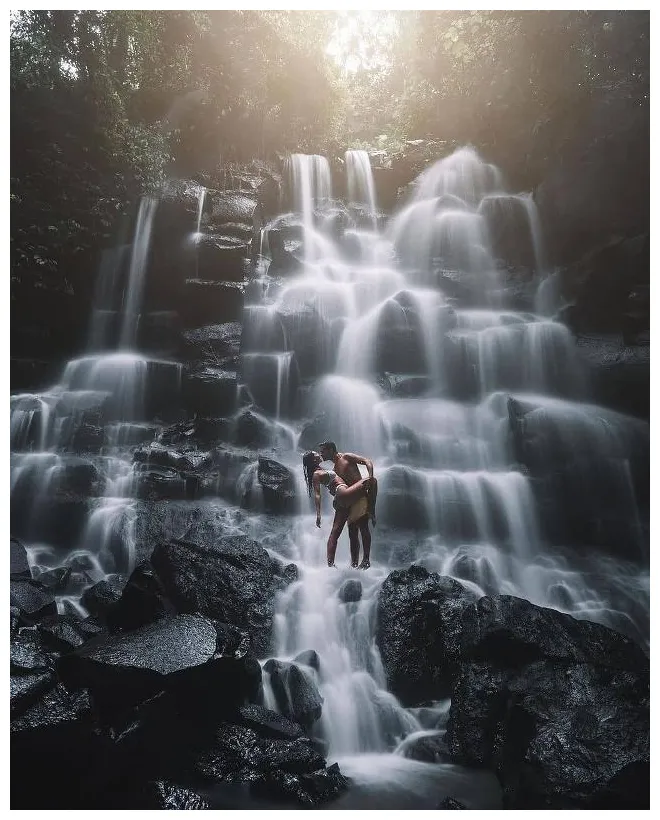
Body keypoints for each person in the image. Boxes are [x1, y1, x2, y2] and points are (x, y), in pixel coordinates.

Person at [302, 450, 374, 569]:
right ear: (313, 459)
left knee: (342, 530)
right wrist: (318, 515)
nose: (319, 454)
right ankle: (331, 564)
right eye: (316, 454)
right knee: (370, 481)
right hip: (342, 493)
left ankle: (350, 564)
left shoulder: (321, 470)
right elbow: (317, 494)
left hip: (342, 498)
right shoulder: (316, 474)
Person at [318, 441, 378, 569]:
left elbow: (367, 461)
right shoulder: (334, 470)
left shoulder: (346, 457)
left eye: (323, 451)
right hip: (351, 501)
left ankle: (366, 559)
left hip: (361, 496)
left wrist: (370, 477)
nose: (321, 454)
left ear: (330, 450)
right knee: (352, 533)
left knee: (363, 526)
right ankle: (354, 565)